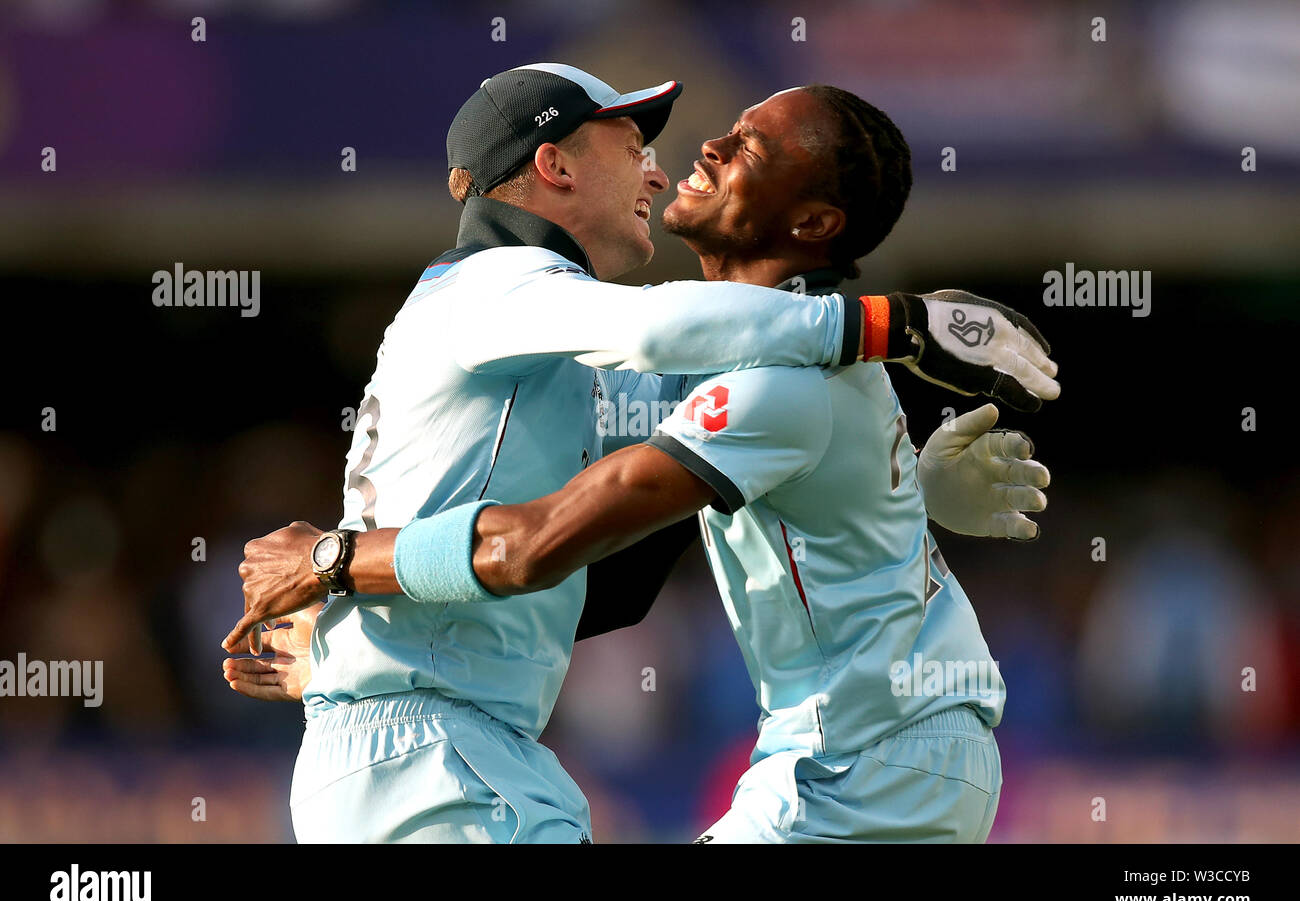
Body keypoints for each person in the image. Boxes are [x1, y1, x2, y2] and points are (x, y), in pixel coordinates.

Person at [227, 79, 1055, 842]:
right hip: (853, 757)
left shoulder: (770, 378)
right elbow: (582, 548)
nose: (684, 159)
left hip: (860, 763)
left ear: (811, 223)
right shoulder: (511, 290)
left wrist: (340, 581)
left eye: (747, 146)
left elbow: (550, 549)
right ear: (552, 167)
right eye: (632, 148)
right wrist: (898, 328)